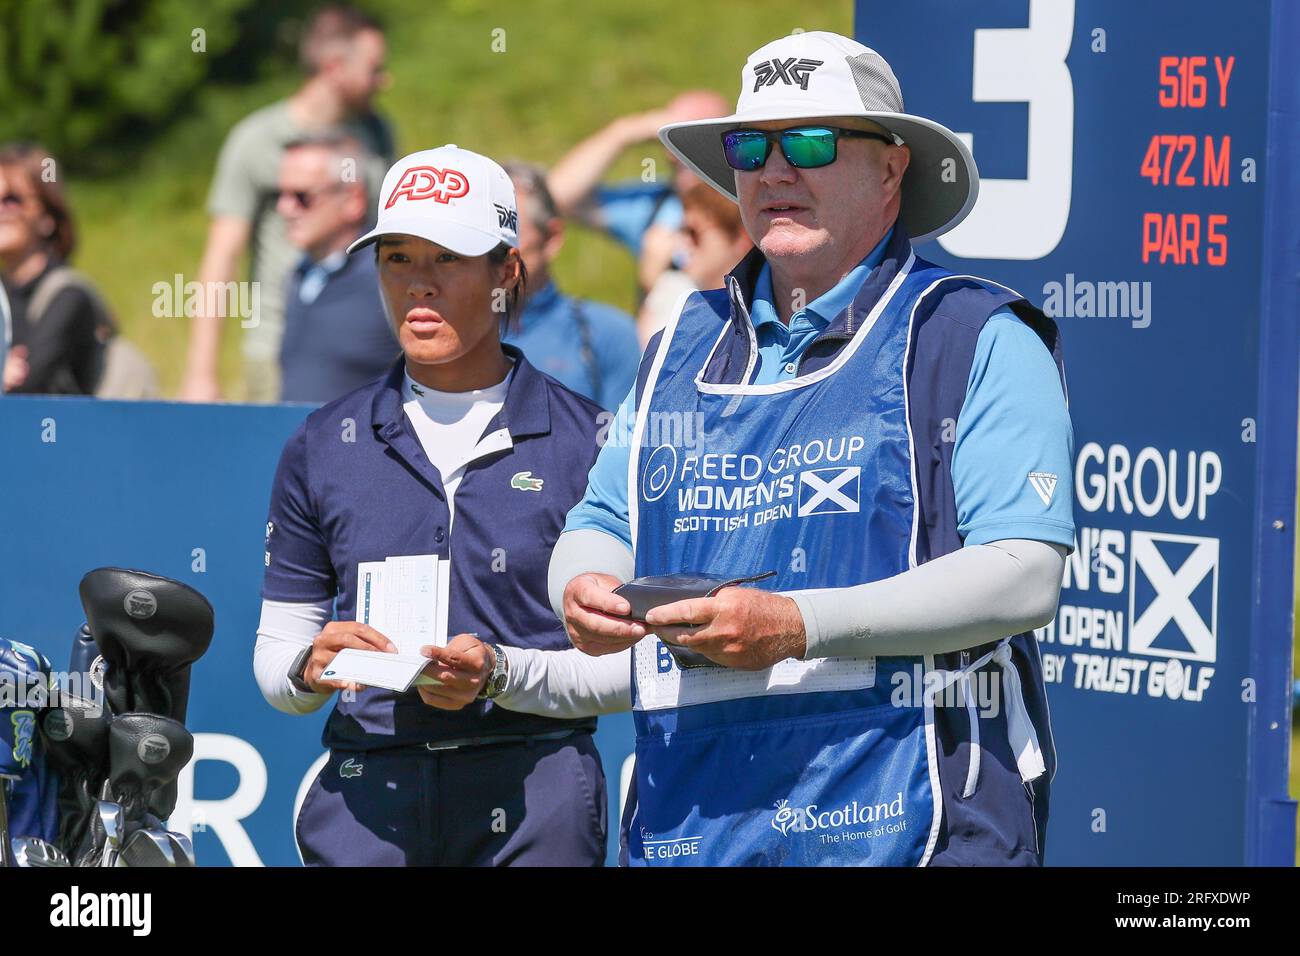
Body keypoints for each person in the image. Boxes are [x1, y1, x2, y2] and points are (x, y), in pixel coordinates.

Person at [429, 32, 1075, 867]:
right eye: (750, 146)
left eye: (810, 142)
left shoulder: (973, 333)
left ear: (891, 169)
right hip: (694, 828)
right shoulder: (677, 346)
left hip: (923, 829)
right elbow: (601, 519)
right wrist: (580, 585)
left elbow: (1024, 571)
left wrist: (797, 624)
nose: (775, 170)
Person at [254, 145, 610, 866]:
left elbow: (636, 668)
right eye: (397, 258)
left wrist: (503, 674)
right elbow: (275, 658)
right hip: (367, 792)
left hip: (537, 788)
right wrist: (309, 668)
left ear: (507, 272)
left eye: (447, 258)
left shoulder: (593, 441)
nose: (419, 284)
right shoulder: (322, 444)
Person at [180, 5, 394, 403]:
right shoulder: (257, 140)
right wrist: (200, 373)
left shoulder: (377, 135)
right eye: (374, 68)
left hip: (365, 350)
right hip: (280, 348)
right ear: (334, 67)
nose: (385, 80)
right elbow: (220, 262)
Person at [547, 91, 727, 295]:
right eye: (672, 138)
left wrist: (658, 283)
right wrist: (626, 132)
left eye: (693, 136)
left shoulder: (747, 204)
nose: (679, 151)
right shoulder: (656, 206)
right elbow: (557, 196)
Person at [500, 162, 639, 411]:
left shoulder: (606, 335)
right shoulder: (447, 330)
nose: (496, 247)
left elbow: (624, 445)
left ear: (552, 237)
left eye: (511, 229)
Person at [276, 133, 399, 403]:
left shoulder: (389, 275)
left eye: (302, 196)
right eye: (280, 194)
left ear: (353, 199)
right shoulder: (299, 276)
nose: (284, 208)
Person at [0, 144, 102, 395]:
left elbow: (26, 386)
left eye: (12, 200)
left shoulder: (68, 296)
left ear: (48, 218)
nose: (0, 209)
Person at [637, 181, 753, 345]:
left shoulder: (765, 303)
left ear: (741, 238)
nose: (681, 244)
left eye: (693, 233)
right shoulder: (672, 291)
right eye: (681, 231)